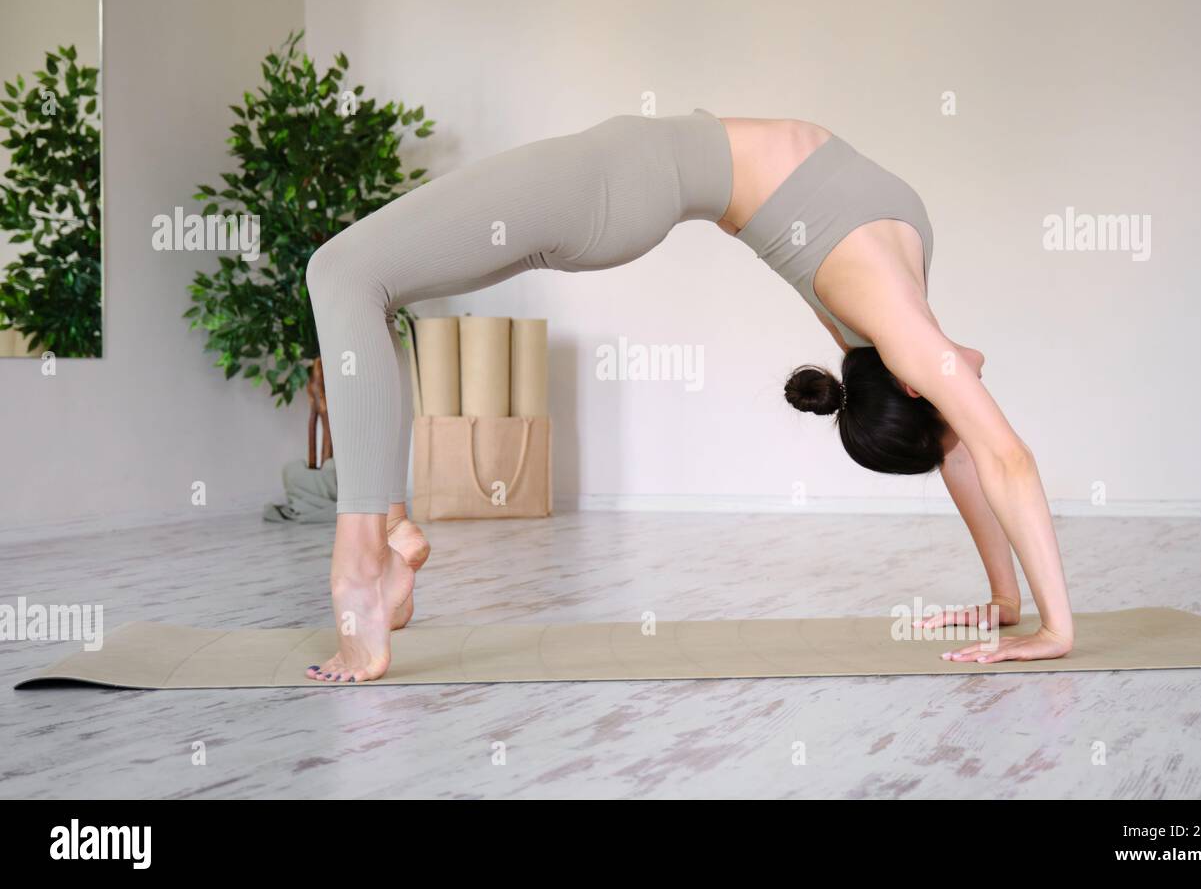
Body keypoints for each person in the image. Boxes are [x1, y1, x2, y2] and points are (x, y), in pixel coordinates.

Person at [303, 108, 1073, 682]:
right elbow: (967, 449)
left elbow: (1005, 459)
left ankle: (362, 566)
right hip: (628, 184)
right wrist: (1005, 599)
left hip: (619, 180)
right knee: (367, 282)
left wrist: (1054, 630)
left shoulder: (900, 332)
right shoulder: (893, 318)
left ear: (915, 384)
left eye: (961, 388)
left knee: (343, 275)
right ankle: (392, 528)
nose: (974, 374)